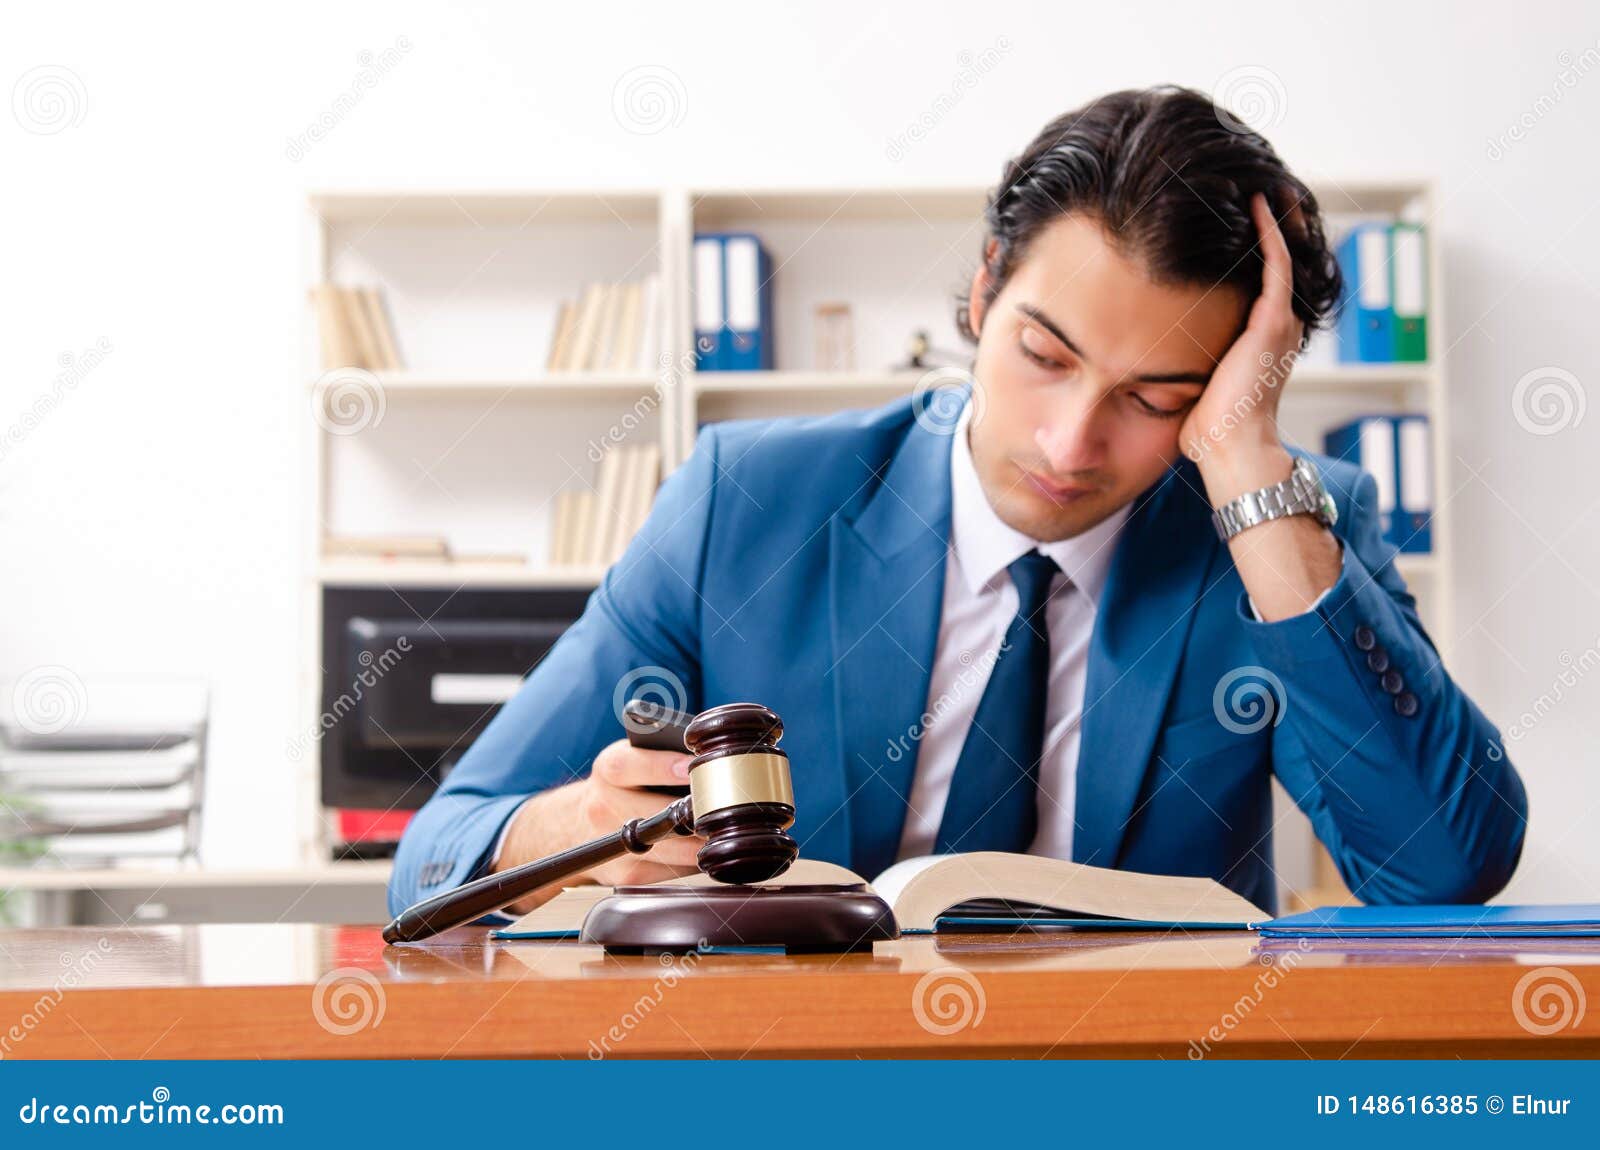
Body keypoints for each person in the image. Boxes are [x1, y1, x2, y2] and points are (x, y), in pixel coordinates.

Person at [389, 86, 1526, 922]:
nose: (1069, 440)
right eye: (1045, 353)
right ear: (985, 289)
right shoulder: (748, 505)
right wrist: (562, 836)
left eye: (1156, 395)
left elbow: (1437, 868)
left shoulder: (1277, 530)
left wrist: (1243, 472)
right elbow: (433, 854)